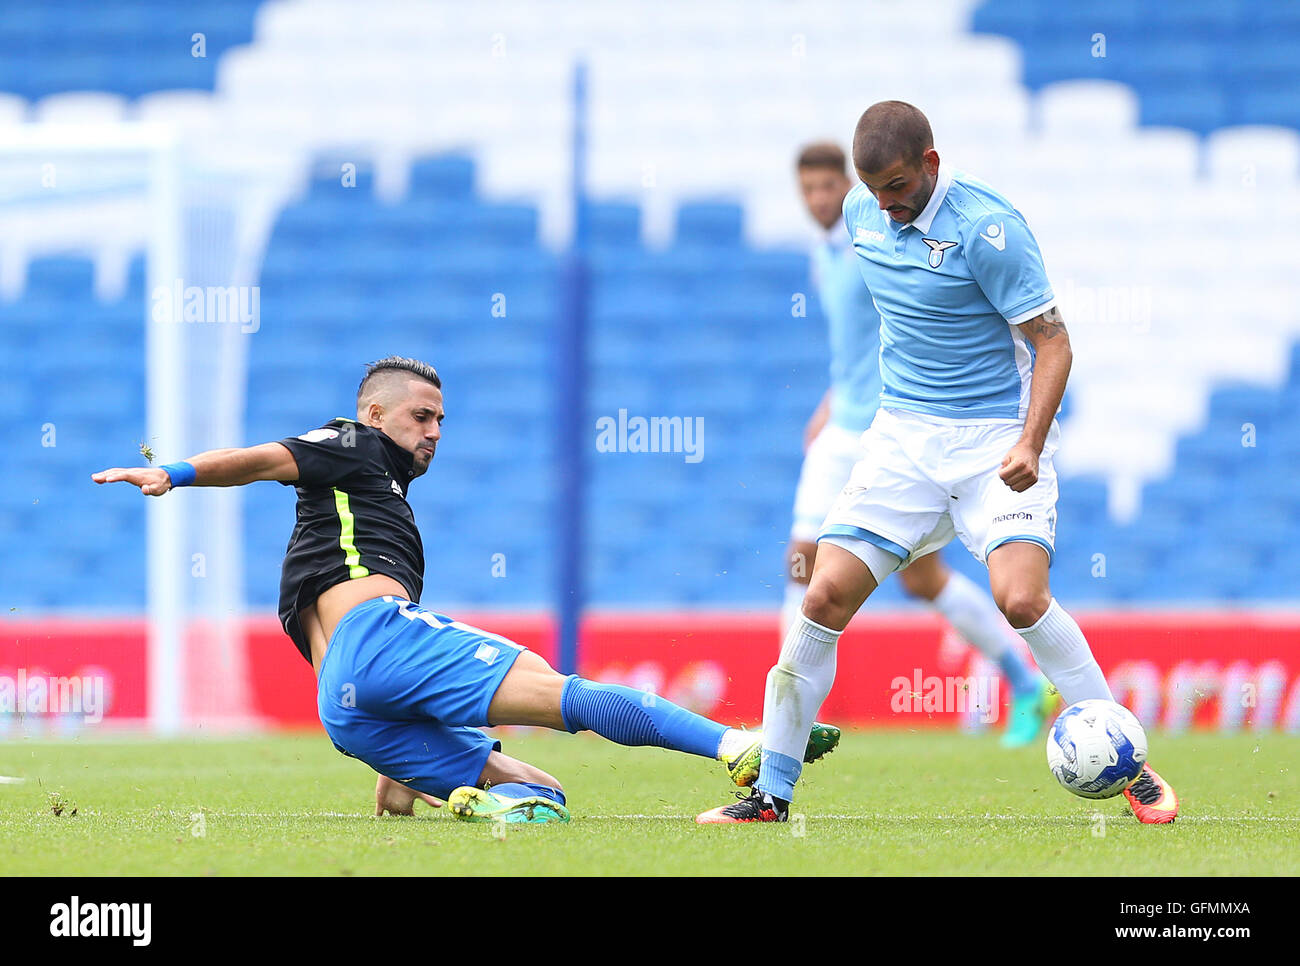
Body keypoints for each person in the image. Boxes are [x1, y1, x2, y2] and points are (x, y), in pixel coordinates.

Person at [94, 356, 839, 824]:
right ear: (374, 413)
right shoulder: (350, 444)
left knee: (544, 793)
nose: (436, 431)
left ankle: (480, 807)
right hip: (379, 639)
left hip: (344, 708)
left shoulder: (361, 510)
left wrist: (396, 782)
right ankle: (735, 745)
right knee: (559, 692)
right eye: (422, 416)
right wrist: (178, 472)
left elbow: (352, 676)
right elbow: (260, 458)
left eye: (443, 420)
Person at [698, 102, 1179, 825]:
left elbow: (1054, 343)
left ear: (929, 162)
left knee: (1020, 599)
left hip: (993, 443)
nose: (884, 207)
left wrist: (1029, 442)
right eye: (873, 190)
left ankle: (1130, 765)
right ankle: (771, 794)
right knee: (821, 596)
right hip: (900, 441)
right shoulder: (862, 215)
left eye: (895, 187)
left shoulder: (989, 229)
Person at [785, 141, 1052, 747]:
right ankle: (787, 721)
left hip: (904, 428)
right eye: (809, 190)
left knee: (919, 578)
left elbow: (921, 314)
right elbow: (866, 340)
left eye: (829, 188)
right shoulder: (827, 252)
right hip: (846, 425)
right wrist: (829, 402)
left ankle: (1022, 678)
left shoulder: (881, 234)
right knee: (803, 563)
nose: (821, 200)